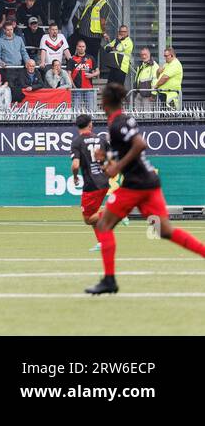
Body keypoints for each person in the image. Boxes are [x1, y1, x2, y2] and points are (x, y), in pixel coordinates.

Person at [86, 83, 205, 294]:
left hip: (135, 185)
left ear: (104, 102)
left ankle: (109, 280)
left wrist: (117, 166)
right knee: (164, 230)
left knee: (103, 225)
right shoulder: (120, 120)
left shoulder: (118, 123)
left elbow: (140, 144)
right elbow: (119, 160)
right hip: (148, 183)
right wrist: (105, 161)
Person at [69, 114, 110, 250]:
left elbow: (75, 165)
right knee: (93, 213)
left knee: (88, 219)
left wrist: (75, 177)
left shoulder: (77, 142)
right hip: (103, 181)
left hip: (91, 184)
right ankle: (102, 242)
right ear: (90, 125)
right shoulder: (101, 139)